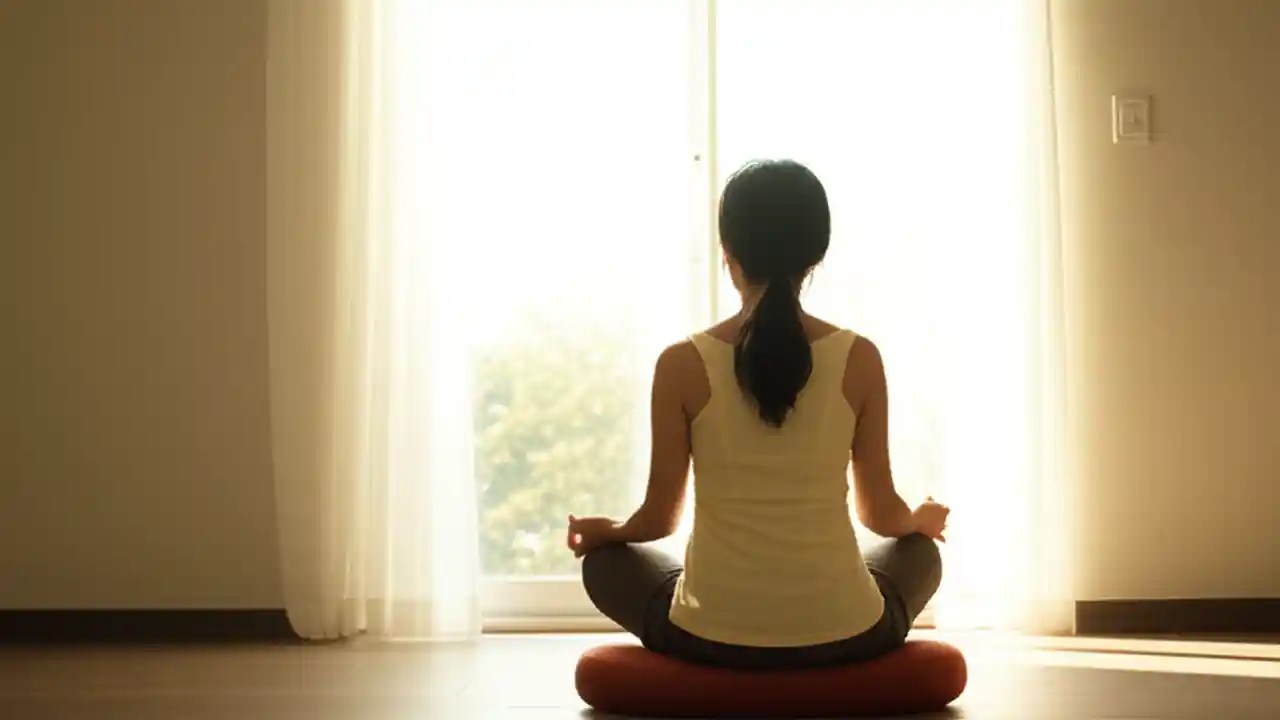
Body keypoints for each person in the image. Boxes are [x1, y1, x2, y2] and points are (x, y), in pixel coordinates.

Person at [566, 159, 949, 670]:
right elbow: (879, 513)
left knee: (606, 565)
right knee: (920, 554)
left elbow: (659, 519)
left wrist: (607, 531)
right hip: (849, 634)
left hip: (706, 637)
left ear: (729, 254)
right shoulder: (859, 357)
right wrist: (917, 521)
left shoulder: (681, 363)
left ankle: (723, 608)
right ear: (816, 255)